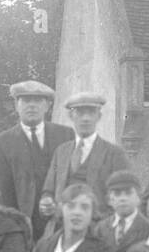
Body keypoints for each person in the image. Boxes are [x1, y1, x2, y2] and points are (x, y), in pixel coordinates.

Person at [0, 79, 73, 241]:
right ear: (17, 105)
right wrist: (14, 226)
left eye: (38, 101)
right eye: (26, 100)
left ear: (47, 106)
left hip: (60, 219)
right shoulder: (2, 142)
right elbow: (4, 189)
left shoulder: (66, 135)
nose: (32, 105)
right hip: (24, 221)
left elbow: (74, 177)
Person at [41, 91, 130, 221]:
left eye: (91, 113)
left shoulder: (114, 153)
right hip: (62, 224)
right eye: (80, 113)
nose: (85, 118)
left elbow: (124, 194)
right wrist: (46, 200)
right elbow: (48, 190)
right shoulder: (61, 151)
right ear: (71, 116)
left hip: (98, 227)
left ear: (99, 116)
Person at [98, 170, 149, 252]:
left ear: (139, 198)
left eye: (128, 193)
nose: (123, 198)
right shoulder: (101, 228)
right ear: (110, 200)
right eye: (117, 194)